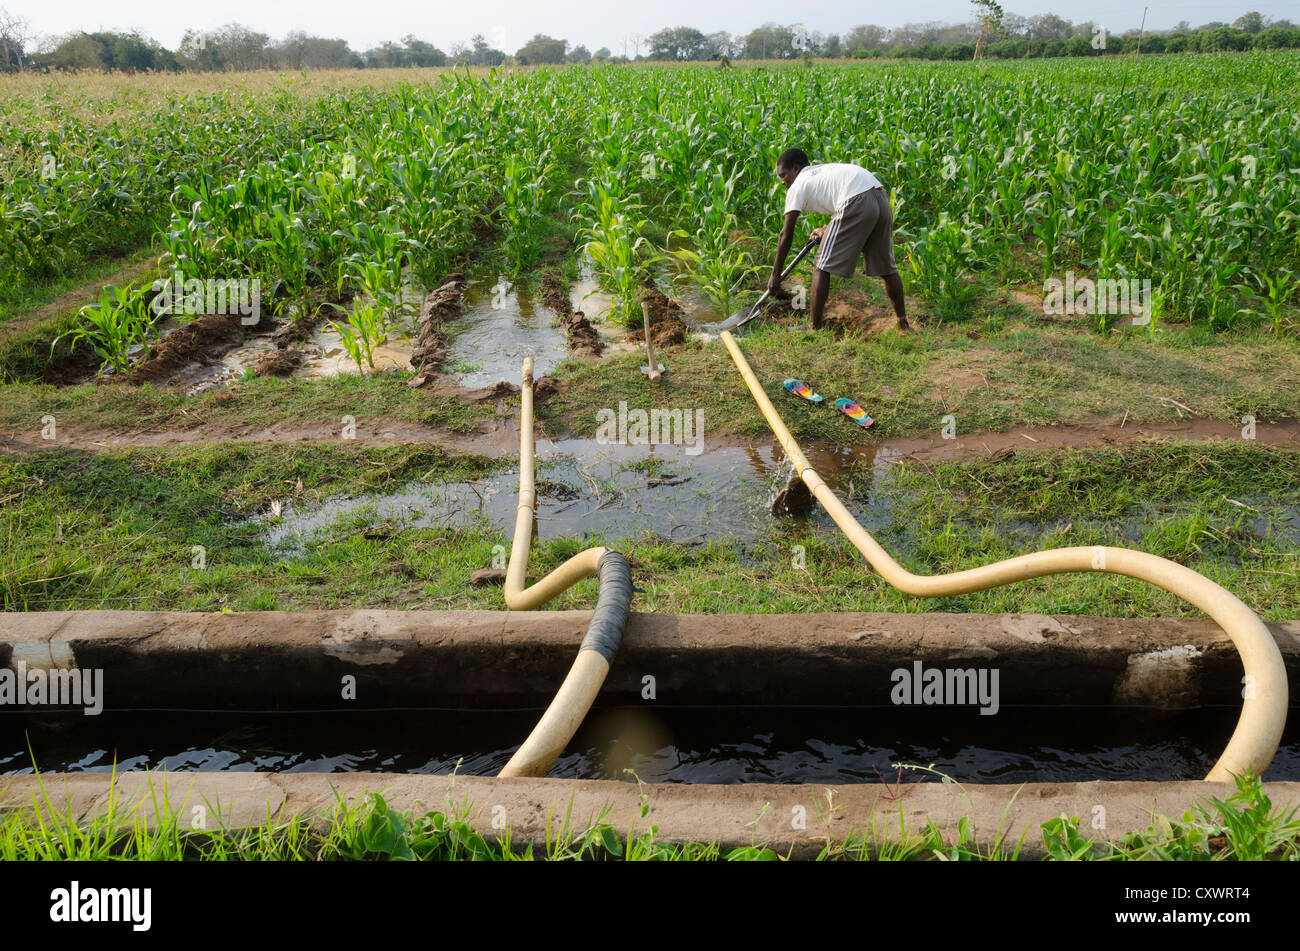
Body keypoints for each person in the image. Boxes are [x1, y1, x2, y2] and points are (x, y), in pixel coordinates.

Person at [768, 147, 909, 331]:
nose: (783, 182)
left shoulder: (798, 184)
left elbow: (785, 235)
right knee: (887, 267)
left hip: (856, 200)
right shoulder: (821, 173)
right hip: (879, 197)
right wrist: (826, 229)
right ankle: (903, 324)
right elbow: (844, 209)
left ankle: (814, 326)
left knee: (821, 265)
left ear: (795, 168)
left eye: (783, 175)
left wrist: (775, 275)